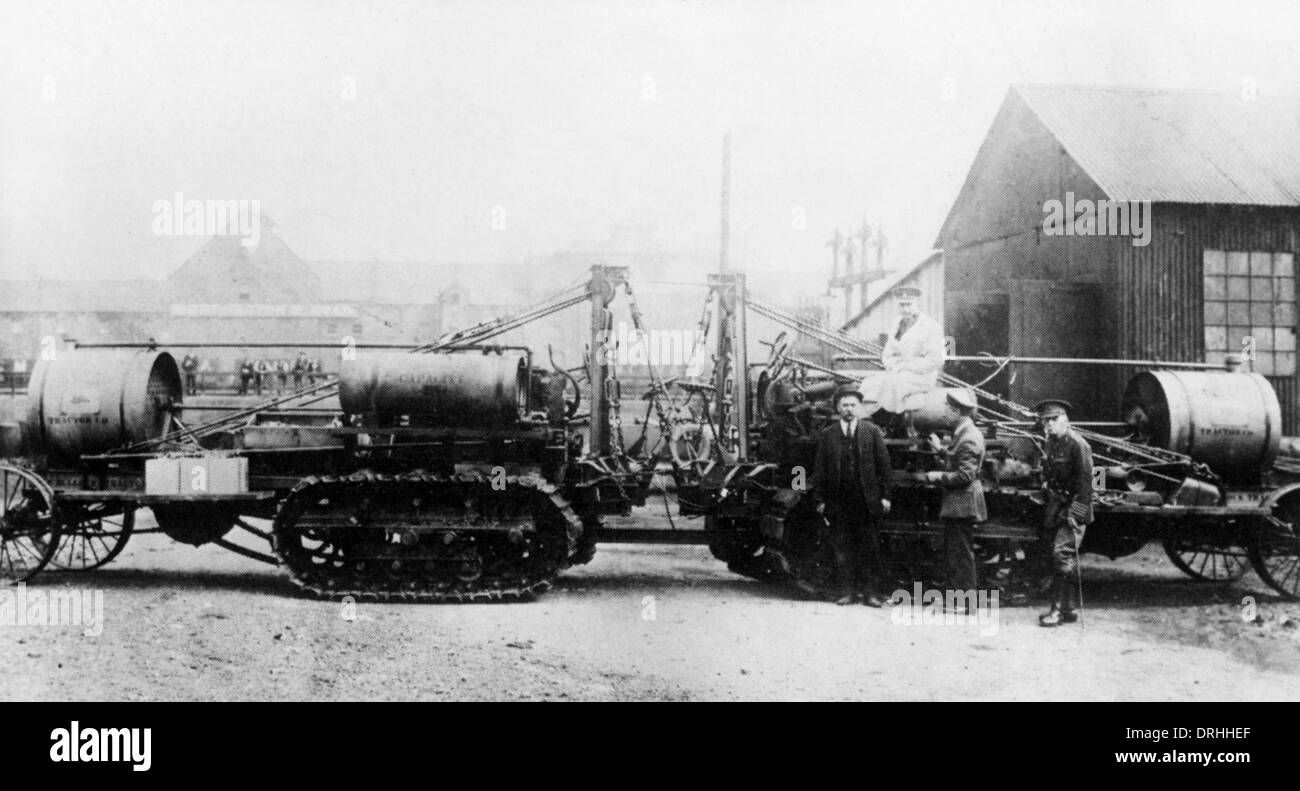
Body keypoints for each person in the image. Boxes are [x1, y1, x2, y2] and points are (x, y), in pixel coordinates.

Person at [810, 388, 892, 606]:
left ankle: (870, 593)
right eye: (845, 405)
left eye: (853, 405)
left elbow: (884, 467)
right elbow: (820, 470)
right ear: (838, 408)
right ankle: (847, 592)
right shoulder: (828, 434)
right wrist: (820, 500)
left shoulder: (872, 431)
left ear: (860, 408)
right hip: (839, 501)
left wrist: (885, 497)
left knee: (870, 548)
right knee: (842, 549)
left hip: (867, 500)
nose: (849, 409)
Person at [922, 389, 986, 609]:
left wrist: (937, 476)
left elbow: (965, 475)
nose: (944, 413)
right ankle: (959, 600)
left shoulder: (968, 437)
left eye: (948, 410)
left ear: (957, 411)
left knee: (961, 554)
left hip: (962, 503)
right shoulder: (964, 432)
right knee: (957, 551)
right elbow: (957, 459)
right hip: (959, 502)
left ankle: (966, 603)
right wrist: (941, 450)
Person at [1034, 398, 1094, 627]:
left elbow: (1087, 486)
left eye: (1052, 420)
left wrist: (1075, 515)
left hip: (1073, 510)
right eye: (1045, 422)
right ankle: (1068, 609)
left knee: (1061, 555)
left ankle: (1056, 611)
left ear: (1065, 421)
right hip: (1057, 508)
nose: (1048, 426)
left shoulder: (1079, 445)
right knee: (1061, 558)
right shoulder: (1053, 444)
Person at [860, 285, 946, 435]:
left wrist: (908, 367)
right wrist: (895, 366)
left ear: (916, 304)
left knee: (892, 385)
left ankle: (887, 425)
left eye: (909, 304)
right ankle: (865, 418)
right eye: (902, 305)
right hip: (898, 371)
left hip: (921, 376)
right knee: (871, 382)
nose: (905, 309)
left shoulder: (931, 327)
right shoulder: (896, 325)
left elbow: (936, 360)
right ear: (897, 306)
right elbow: (887, 355)